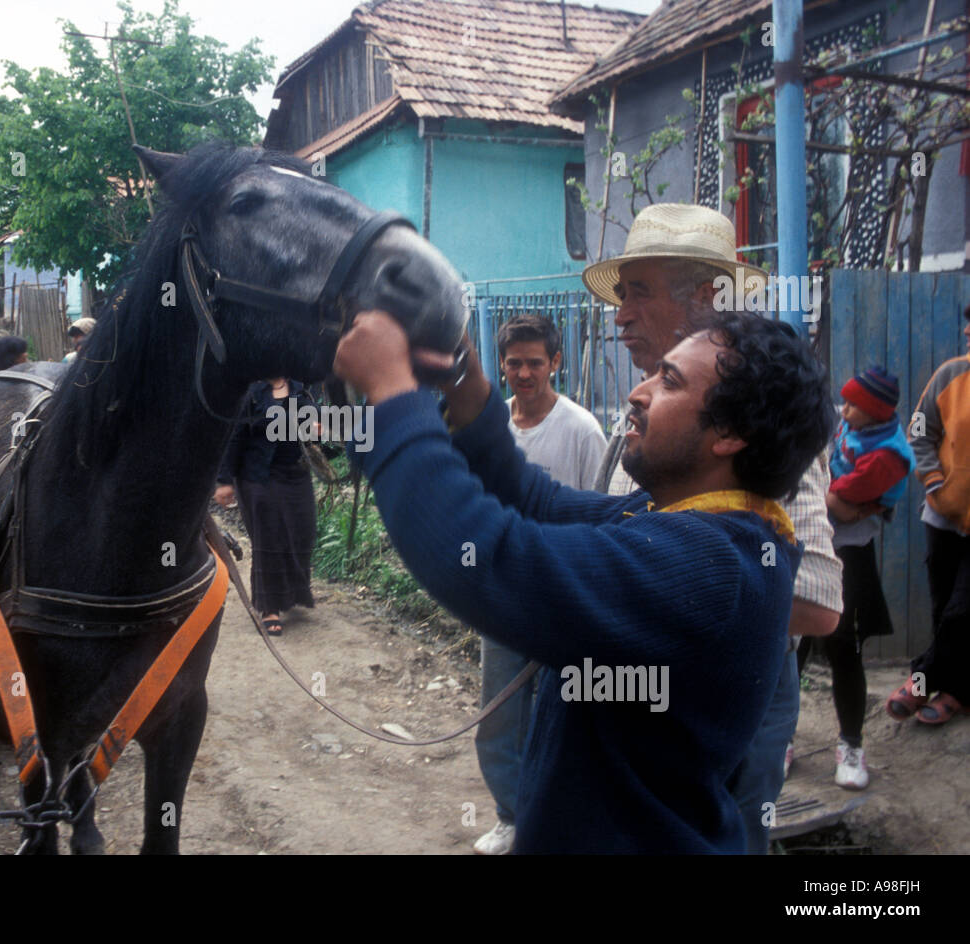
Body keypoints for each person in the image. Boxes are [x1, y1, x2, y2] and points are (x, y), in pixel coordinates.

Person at [333, 309, 834, 853]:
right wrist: (466, 383)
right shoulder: (695, 523)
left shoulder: (711, 564)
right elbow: (536, 499)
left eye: (669, 381)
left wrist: (392, 397)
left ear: (731, 434)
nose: (639, 392)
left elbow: (481, 559)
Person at [584, 203, 842, 853]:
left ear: (705, 297)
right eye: (621, 296)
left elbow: (816, 602)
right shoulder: (646, 408)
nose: (620, 314)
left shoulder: (752, 408)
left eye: (638, 292)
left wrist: (643, 588)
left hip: (722, 702)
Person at [473, 314, 606, 855]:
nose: (523, 373)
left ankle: (561, 821)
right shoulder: (491, 427)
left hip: (564, 596)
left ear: (556, 362)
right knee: (500, 714)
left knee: (565, 714)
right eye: (513, 363)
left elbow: (600, 517)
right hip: (505, 595)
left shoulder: (582, 430)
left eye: (535, 362)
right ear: (501, 367)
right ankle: (511, 817)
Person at [799, 366, 912, 789]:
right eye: (844, 402)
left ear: (876, 413)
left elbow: (839, 503)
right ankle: (782, 740)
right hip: (810, 542)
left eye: (853, 406)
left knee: (845, 647)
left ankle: (851, 745)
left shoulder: (886, 456)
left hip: (847, 552)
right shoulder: (841, 421)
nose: (843, 410)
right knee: (794, 646)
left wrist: (828, 495)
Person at [890, 304, 970, 725]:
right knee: (943, 609)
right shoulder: (950, 375)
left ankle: (920, 682)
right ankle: (955, 691)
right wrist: (934, 480)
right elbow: (919, 430)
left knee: (962, 612)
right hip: (942, 516)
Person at [214, 378, 318, 636]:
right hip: (257, 476)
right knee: (269, 536)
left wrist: (318, 431)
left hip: (296, 476)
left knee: (302, 533)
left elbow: (317, 441)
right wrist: (224, 480)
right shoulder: (250, 394)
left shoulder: (303, 391)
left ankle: (293, 593)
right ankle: (269, 607)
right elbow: (234, 437)